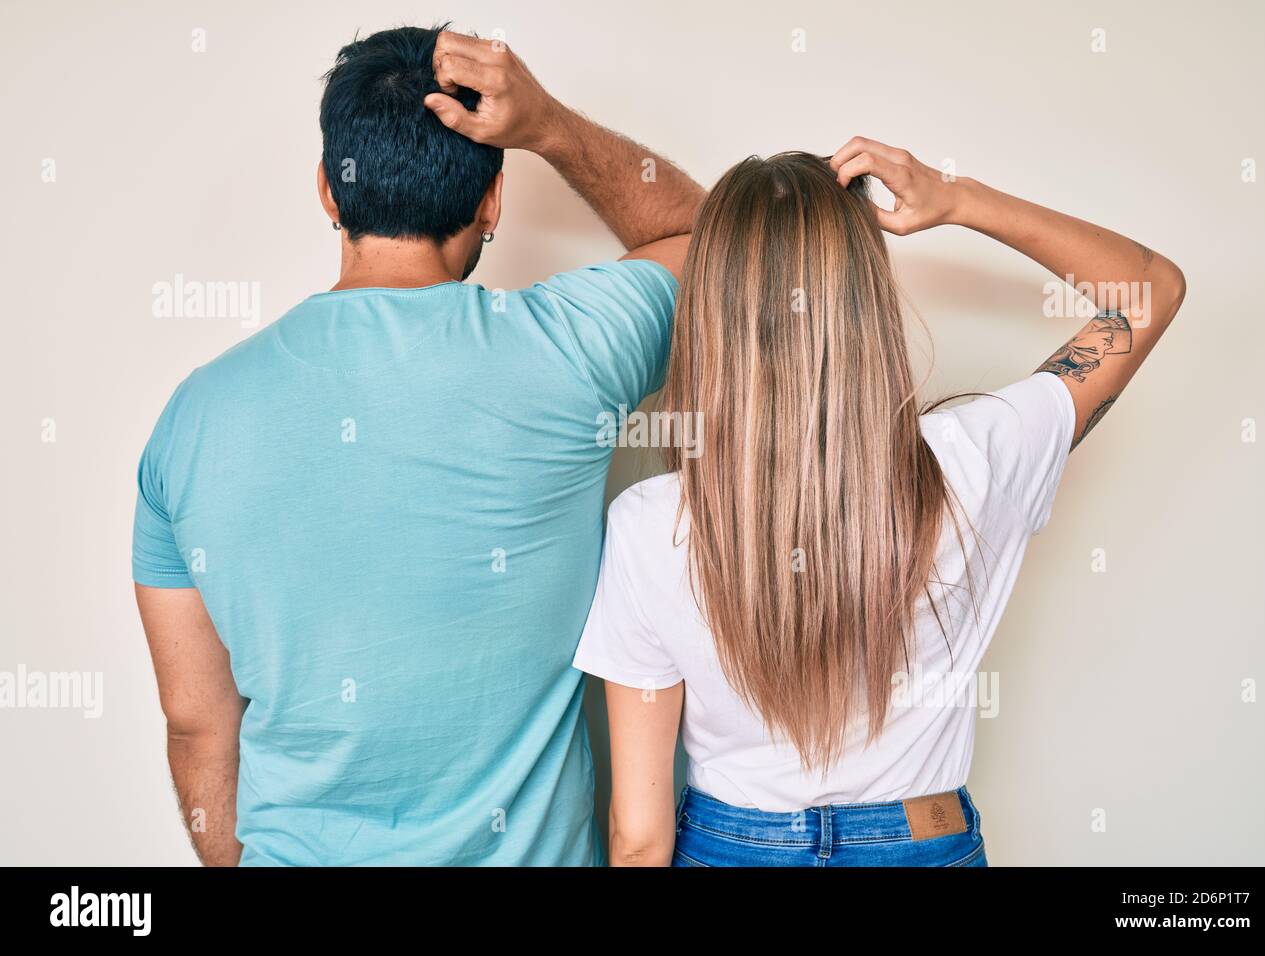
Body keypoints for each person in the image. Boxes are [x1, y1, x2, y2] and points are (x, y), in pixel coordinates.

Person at [131, 25, 702, 865]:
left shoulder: (192, 417)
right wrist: (547, 126)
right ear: (494, 199)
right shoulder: (570, 351)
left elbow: (195, 723)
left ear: (329, 190)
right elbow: (715, 243)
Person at [574, 143, 1186, 866]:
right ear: (867, 298)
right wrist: (956, 198)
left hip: (733, 844)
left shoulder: (649, 521)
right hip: (923, 838)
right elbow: (1151, 289)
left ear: (710, 310)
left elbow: (638, 838)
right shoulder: (975, 457)